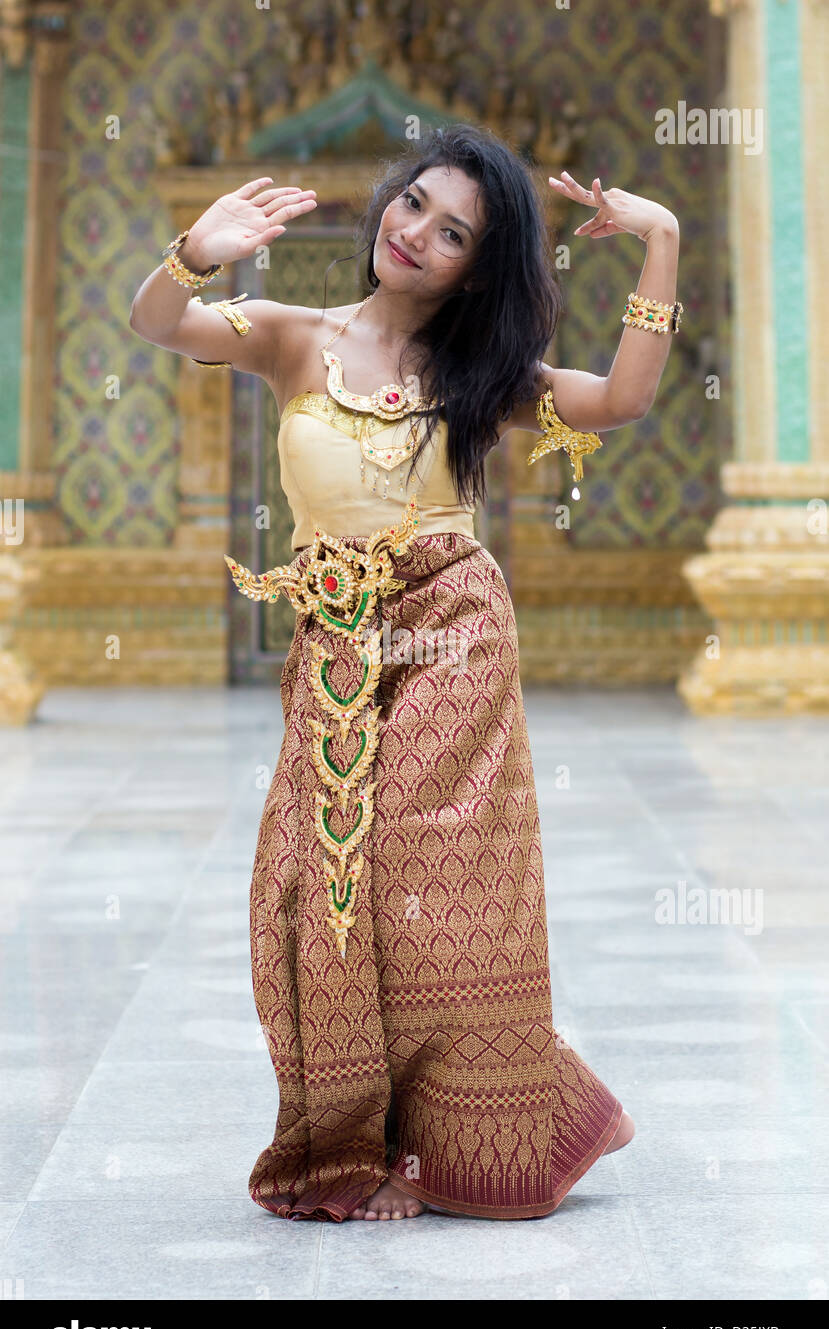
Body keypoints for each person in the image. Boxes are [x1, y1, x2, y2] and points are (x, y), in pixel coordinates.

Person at [130, 123, 681, 1222]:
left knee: (427, 878)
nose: (417, 231)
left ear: (478, 265)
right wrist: (197, 250)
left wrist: (659, 238)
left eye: (453, 231)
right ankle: (356, 1136)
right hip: (334, 641)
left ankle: (458, 1141)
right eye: (413, 203)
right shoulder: (294, 338)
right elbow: (160, 323)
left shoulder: (481, 378)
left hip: (452, 633)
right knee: (319, 890)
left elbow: (619, 400)